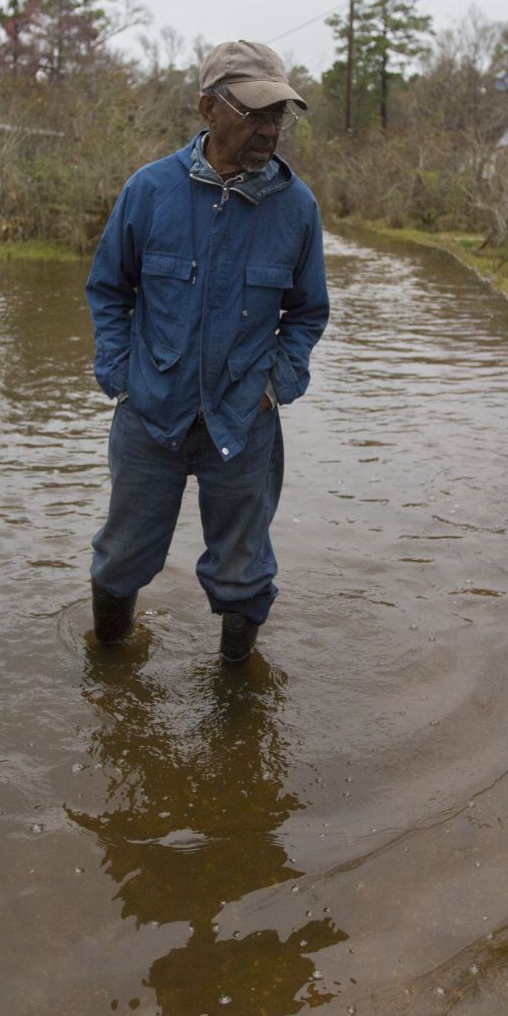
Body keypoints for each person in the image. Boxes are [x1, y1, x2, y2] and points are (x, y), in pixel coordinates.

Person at [84, 39, 329, 662]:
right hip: (150, 416)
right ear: (208, 110)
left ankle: (234, 699)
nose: (270, 128)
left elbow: (306, 313)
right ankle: (109, 673)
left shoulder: (297, 209)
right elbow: (110, 289)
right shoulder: (149, 191)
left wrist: (275, 386)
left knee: (244, 574)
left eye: (279, 114)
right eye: (254, 111)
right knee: (120, 559)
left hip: (243, 422)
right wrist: (119, 375)